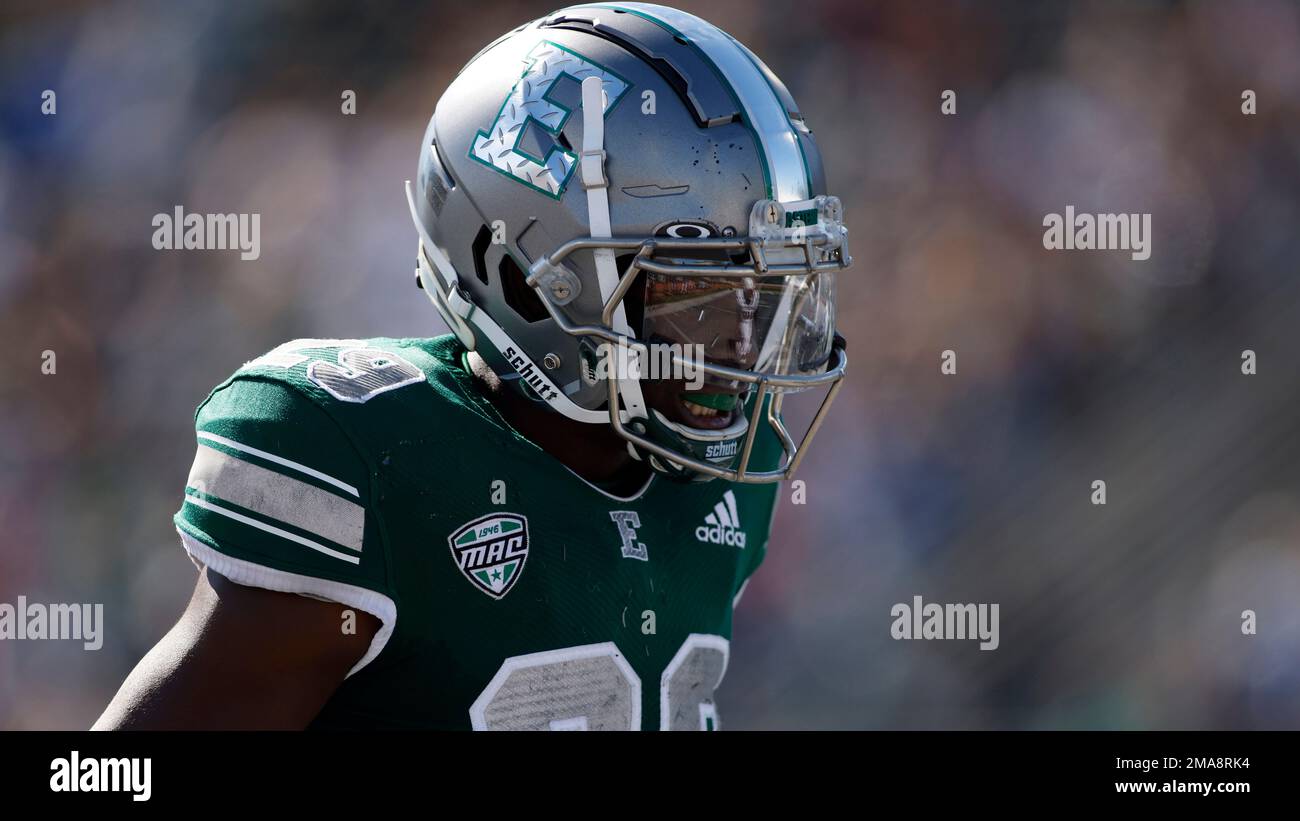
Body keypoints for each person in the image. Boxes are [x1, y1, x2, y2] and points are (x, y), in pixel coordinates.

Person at [95, 2, 850, 730]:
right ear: (520, 275)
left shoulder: (722, 477)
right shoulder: (374, 457)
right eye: (701, 293)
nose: (744, 343)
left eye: (771, 292)